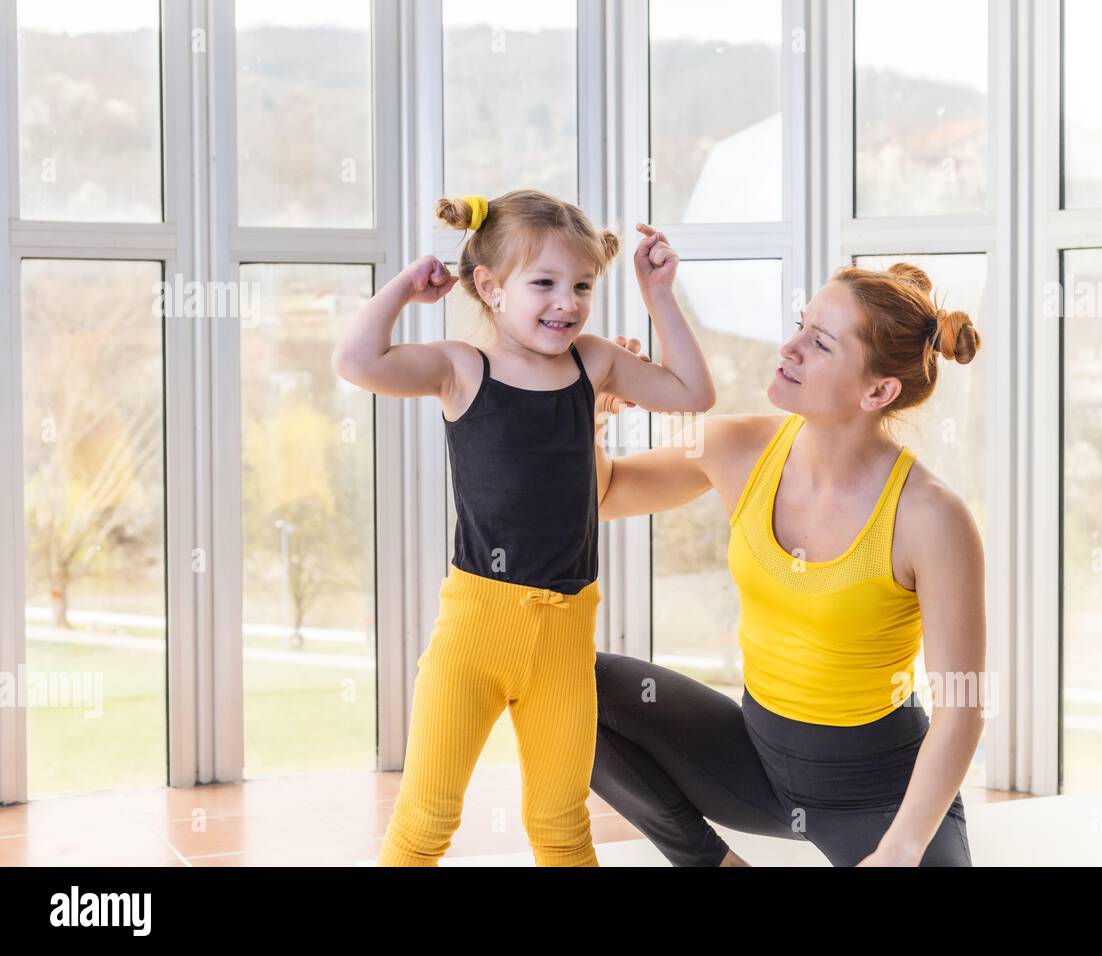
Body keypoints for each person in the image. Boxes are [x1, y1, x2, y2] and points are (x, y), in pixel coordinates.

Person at [331, 189, 716, 866]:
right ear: (491, 287)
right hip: (474, 637)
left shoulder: (592, 362)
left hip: (565, 639)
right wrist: (401, 290)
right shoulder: (459, 368)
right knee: (425, 821)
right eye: (543, 283)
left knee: (562, 825)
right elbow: (357, 362)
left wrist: (659, 296)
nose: (566, 302)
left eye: (582, 285)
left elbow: (693, 395)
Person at [590, 262, 986, 866]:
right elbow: (606, 492)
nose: (789, 347)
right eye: (801, 326)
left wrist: (900, 850)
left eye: (820, 343)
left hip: (879, 797)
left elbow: (962, 708)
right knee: (565, 683)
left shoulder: (932, 516)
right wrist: (591, 414)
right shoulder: (736, 448)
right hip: (753, 762)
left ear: (878, 391)